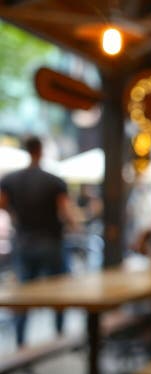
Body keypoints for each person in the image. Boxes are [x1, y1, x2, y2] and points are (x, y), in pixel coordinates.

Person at [0, 136, 78, 345]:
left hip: (24, 242)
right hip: (51, 242)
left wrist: (15, 214)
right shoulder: (53, 180)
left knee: (23, 294)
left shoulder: (11, 180)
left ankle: (20, 340)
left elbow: (2, 204)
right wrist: (76, 226)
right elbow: (67, 212)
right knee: (59, 291)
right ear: (41, 151)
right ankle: (59, 334)